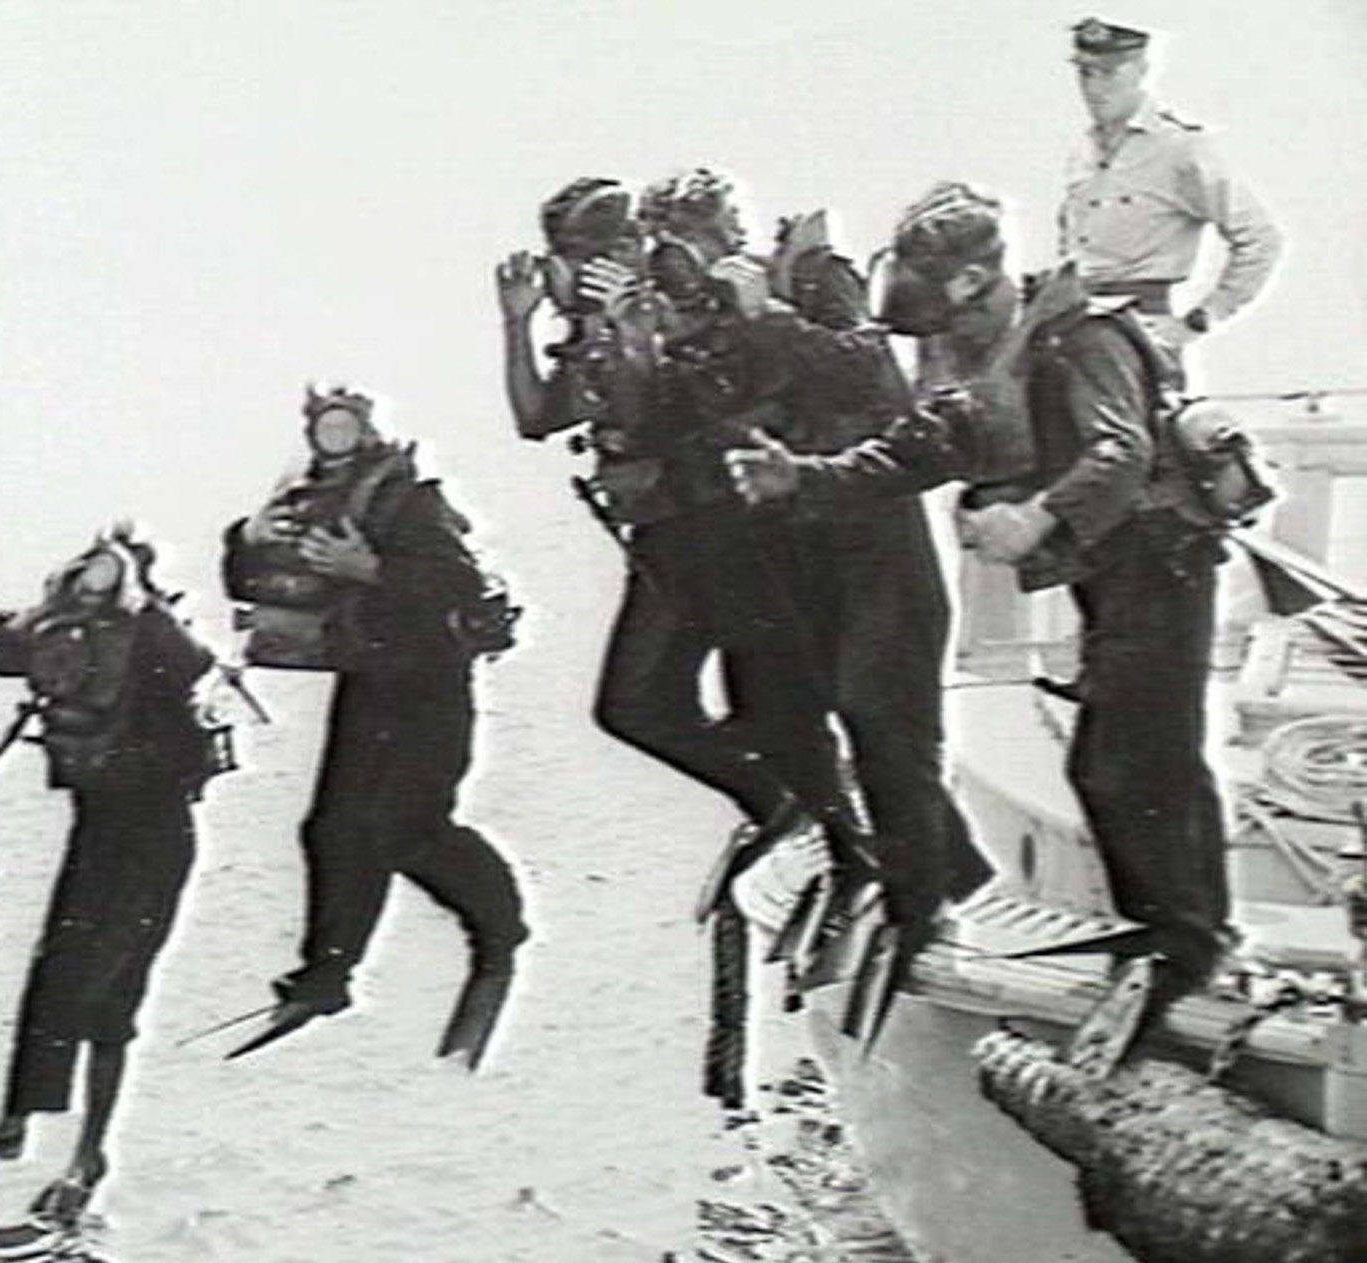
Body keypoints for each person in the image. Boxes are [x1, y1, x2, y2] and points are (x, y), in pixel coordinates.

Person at [728, 182, 1232, 1010]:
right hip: (1113, 573)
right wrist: (801, 477)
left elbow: (1121, 452)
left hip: (1161, 560)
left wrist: (1036, 515)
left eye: (940, 302)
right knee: (1135, 754)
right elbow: (911, 453)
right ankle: (1181, 930)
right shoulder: (977, 354)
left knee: (1130, 758)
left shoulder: (1081, 337)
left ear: (969, 281)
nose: (939, 335)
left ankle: (1185, 942)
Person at [495, 176, 873, 914]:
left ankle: (844, 845)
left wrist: (629, 328)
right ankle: (790, 813)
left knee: (778, 706)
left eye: (575, 256)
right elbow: (539, 416)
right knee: (638, 703)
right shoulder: (598, 320)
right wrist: (517, 326)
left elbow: (654, 413)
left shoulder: (671, 302)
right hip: (669, 538)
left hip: (728, 531)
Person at [636, 170, 993, 943]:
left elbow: (875, 378)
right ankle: (912, 868)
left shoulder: (812, 276)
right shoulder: (692, 310)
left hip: (873, 534)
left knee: (884, 715)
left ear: (729, 230)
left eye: (692, 236)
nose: (682, 256)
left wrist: (767, 315)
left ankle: (926, 904)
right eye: (665, 242)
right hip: (792, 542)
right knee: (786, 711)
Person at [220, 387, 528, 1067]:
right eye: (323, 427)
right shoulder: (302, 498)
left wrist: (372, 568)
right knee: (332, 827)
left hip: (432, 679)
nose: (333, 437)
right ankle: (328, 975)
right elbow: (256, 581)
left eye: (344, 426)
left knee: (407, 826)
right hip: (369, 678)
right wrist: (247, 540)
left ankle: (501, 924)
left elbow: (457, 581)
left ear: (365, 433)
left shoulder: (406, 497)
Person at [0, 524, 217, 1219]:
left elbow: (193, 663)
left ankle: (91, 1152)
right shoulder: (63, 637)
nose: (95, 577)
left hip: (156, 832)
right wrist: (38, 612)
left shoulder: (152, 641)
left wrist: (141, 598)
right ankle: (16, 1122)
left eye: (109, 570)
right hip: (97, 827)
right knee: (54, 973)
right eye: (84, 569)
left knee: (111, 996)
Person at [1059, 16, 1281, 382]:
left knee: (1120, 439)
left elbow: (1261, 240)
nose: (1094, 88)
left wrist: (1199, 320)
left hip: (1137, 337)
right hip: (1072, 325)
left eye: (1109, 73)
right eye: (1085, 73)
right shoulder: (1084, 149)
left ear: (1142, 70)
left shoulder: (1180, 148)